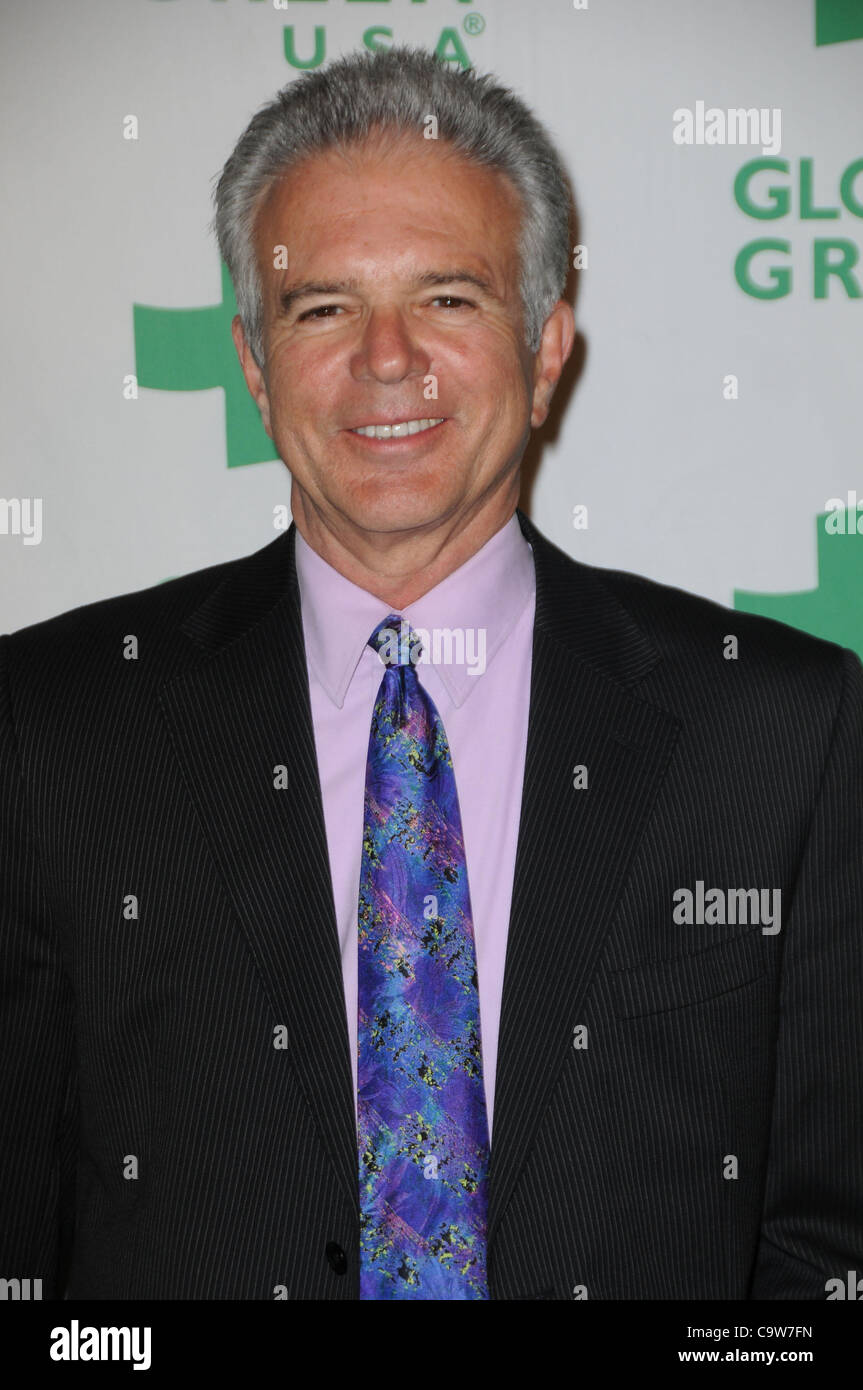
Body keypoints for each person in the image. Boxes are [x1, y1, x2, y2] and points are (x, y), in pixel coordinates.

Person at [1, 46, 861, 1302]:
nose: (387, 359)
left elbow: (825, 1249)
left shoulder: (781, 732)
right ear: (251, 360)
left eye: (448, 299)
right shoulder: (50, 728)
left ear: (545, 339)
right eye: (322, 307)